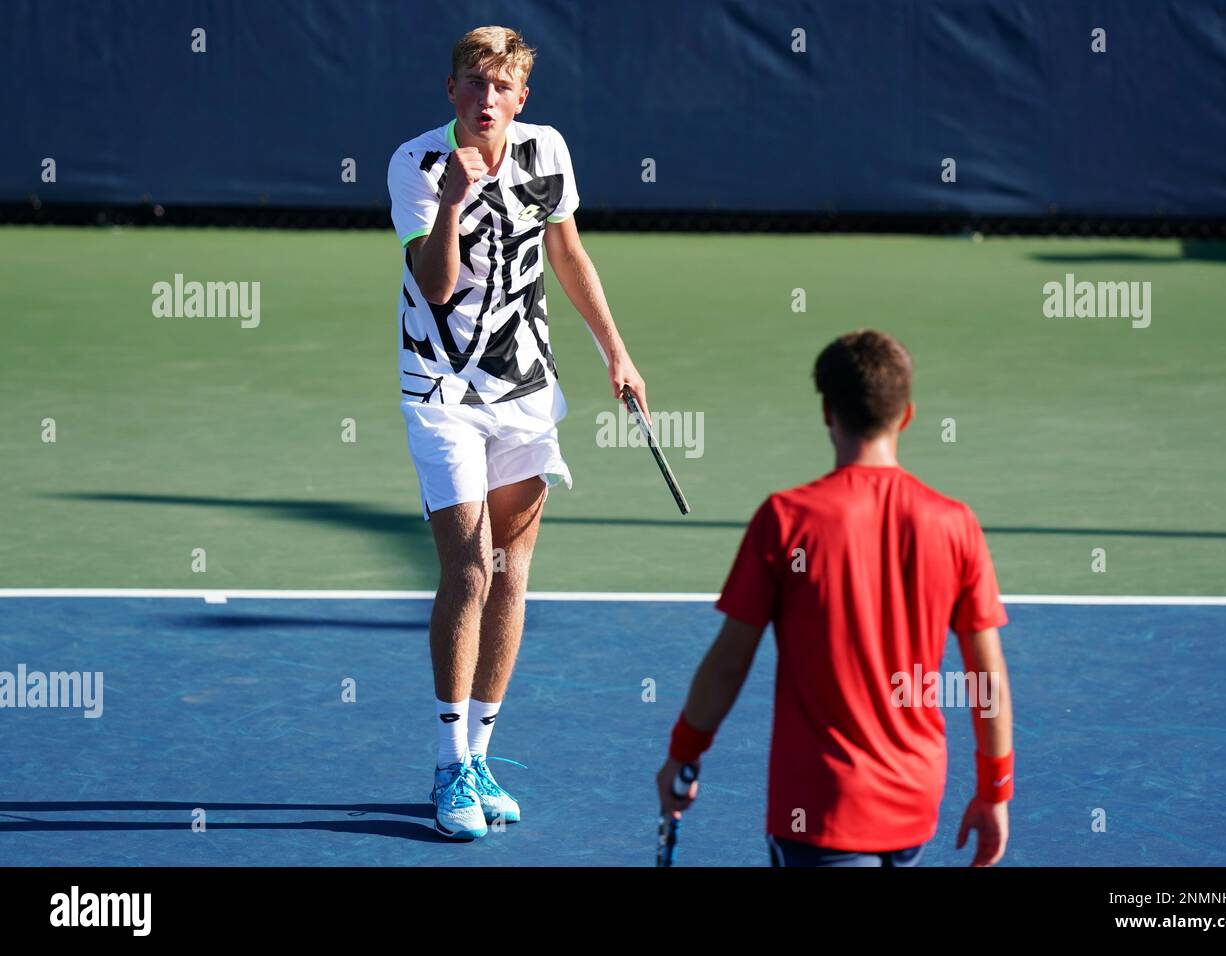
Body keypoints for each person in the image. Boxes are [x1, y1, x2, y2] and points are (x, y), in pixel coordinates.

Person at [388, 25, 650, 840]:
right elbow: (432, 288)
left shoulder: (549, 152)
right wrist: (458, 203)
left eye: (502, 86)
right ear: (452, 88)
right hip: (441, 389)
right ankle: (446, 765)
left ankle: (482, 756)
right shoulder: (417, 165)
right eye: (475, 82)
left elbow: (569, 255)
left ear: (521, 97)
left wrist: (617, 352)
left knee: (512, 574)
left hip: (528, 390)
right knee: (467, 571)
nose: (487, 98)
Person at [656, 330, 1013, 866]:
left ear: (827, 413)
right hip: (915, 799)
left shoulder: (786, 521)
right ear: (908, 416)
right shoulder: (955, 524)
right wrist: (994, 791)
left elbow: (729, 665)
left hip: (819, 807)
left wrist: (683, 753)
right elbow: (986, 679)